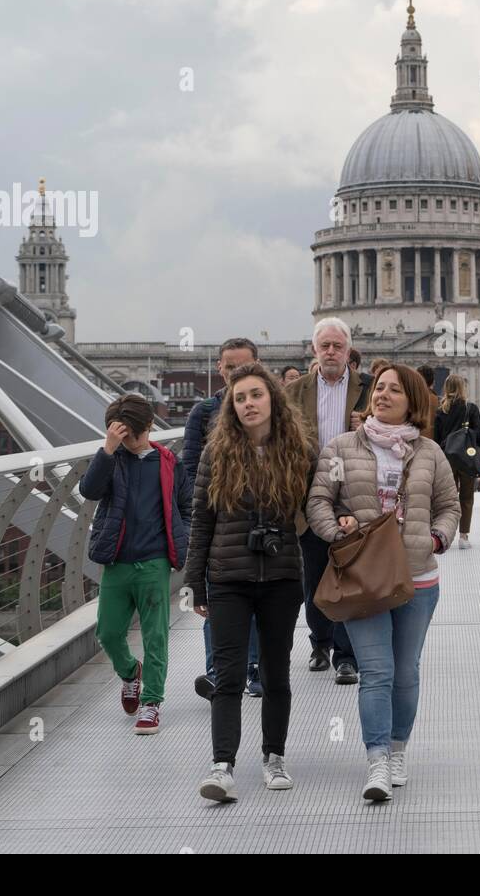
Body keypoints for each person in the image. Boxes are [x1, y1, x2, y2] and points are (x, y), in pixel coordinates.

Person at [306, 363, 460, 802]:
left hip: (417, 576)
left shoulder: (429, 452)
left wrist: (437, 537)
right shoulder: (340, 448)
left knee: (406, 672)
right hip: (363, 577)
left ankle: (396, 750)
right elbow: (319, 499)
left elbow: (449, 504)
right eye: (378, 388)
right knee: (377, 672)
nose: (383, 395)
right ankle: (376, 760)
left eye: (394, 390)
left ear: (413, 401)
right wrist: (338, 531)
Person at [188, 363, 313, 802]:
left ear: (273, 399)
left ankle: (274, 756)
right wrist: (194, 581)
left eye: (256, 395)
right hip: (228, 578)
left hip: (281, 576)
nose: (248, 404)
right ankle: (222, 766)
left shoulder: (298, 449)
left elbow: (317, 509)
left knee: (277, 673)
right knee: (229, 675)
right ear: (231, 406)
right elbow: (201, 521)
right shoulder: (216, 453)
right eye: (240, 398)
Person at [80, 393, 191, 735]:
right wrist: (107, 450)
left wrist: (181, 540)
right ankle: (131, 673)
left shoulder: (170, 462)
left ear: (149, 428)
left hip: (155, 562)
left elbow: (186, 507)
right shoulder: (112, 459)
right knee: (108, 633)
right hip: (116, 561)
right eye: (122, 436)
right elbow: (90, 490)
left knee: (155, 635)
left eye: (134, 436)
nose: (130, 442)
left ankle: (152, 702)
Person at [283, 318, 367, 683]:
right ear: (314, 351)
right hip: (310, 496)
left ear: (348, 351)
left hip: (354, 495)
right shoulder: (293, 393)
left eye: (337, 346)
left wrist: (368, 428)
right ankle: (321, 643)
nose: (331, 352)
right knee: (315, 577)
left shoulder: (372, 390)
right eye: (325, 346)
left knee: (350, 576)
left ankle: (347, 656)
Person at [184, 338, 263, 702]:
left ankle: (255, 668)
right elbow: (189, 472)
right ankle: (217, 672)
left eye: (241, 366)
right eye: (229, 367)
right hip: (220, 525)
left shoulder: (273, 414)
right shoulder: (202, 413)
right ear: (219, 369)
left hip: (262, 525)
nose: (234, 374)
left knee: (259, 603)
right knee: (217, 602)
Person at [433, 373, 480, 549]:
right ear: (463, 388)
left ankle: (445, 533)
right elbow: (478, 436)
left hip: (446, 458)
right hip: (466, 457)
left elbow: (436, 438)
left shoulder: (440, 410)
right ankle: (463, 536)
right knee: (467, 497)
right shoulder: (471, 408)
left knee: (446, 499)